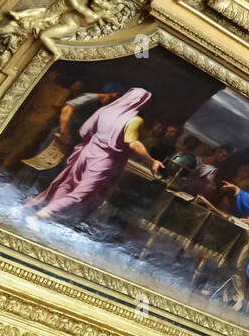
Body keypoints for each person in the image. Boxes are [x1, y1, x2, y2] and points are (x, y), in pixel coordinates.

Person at [20, 88, 163, 232]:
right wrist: (151, 161)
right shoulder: (134, 120)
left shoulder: (105, 111)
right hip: (104, 160)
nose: (147, 107)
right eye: (146, 103)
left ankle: (45, 217)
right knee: (82, 193)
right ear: (140, 102)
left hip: (85, 153)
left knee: (68, 186)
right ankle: (38, 217)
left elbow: (85, 130)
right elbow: (134, 144)